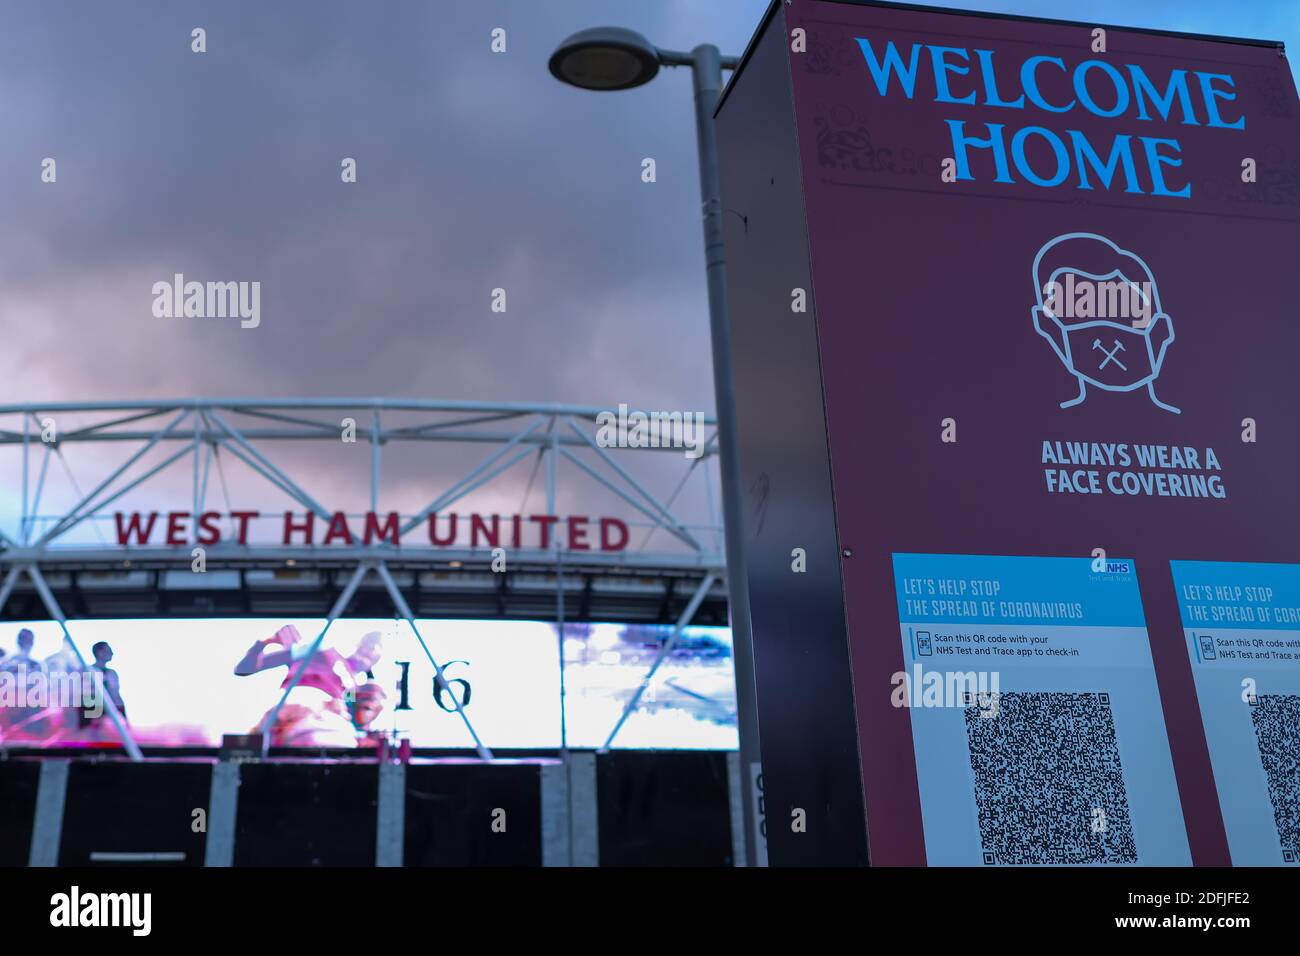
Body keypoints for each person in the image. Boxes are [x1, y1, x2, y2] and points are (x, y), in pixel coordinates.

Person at [234, 625, 383, 748]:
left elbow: (354, 716)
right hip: (297, 705)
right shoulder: (322, 651)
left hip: (331, 721)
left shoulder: (351, 687)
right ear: (358, 644)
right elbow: (244, 669)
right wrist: (266, 641)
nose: (367, 655)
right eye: (368, 647)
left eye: (373, 656)